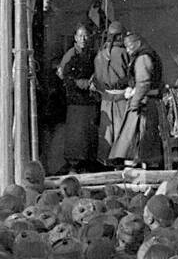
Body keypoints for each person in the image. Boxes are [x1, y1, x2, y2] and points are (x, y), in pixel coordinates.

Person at [109, 30, 165, 169]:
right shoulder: (147, 55)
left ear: (138, 43)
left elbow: (143, 83)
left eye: (129, 47)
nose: (127, 51)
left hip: (143, 104)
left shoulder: (143, 58)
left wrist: (134, 102)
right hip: (147, 101)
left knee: (137, 143)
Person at [55, 23, 100, 172]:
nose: (83, 39)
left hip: (90, 101)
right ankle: (75, 164)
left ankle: (88, 163)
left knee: (89, 135)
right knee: (76, 136)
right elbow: (64, 77)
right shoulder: (70, 55)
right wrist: (82, 83)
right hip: (76, 101)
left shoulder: (93, 54)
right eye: (80, 36)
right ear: (75, 38)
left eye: (86, 36)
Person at [94, 21, 133, 165]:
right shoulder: (124, 53)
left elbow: (97, 80)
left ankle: (109, 164)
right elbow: (131, 76)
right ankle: (121, 163)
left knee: (108, 134)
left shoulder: (100, 54)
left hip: (106, 100)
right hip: (122, 99)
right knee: (122, 133)